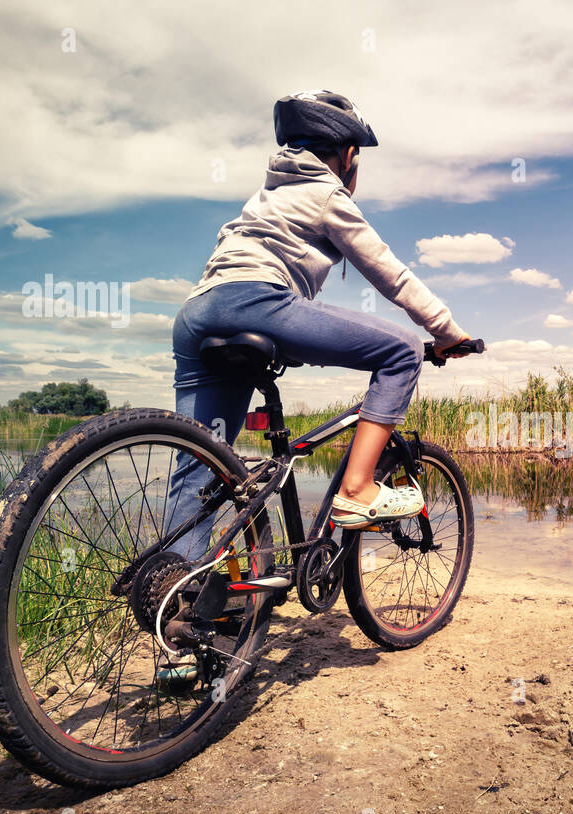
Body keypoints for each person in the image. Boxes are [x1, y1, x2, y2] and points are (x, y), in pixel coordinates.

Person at [165, 89, 471, 561]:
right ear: (349, 154)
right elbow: (390, 273)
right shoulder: (326, 193)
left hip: (197, 312)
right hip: (257, 300)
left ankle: (174, 590)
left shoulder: (265, 195)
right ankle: (358, 487)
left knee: (200, 462)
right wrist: (447, 332)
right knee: (403, 350)